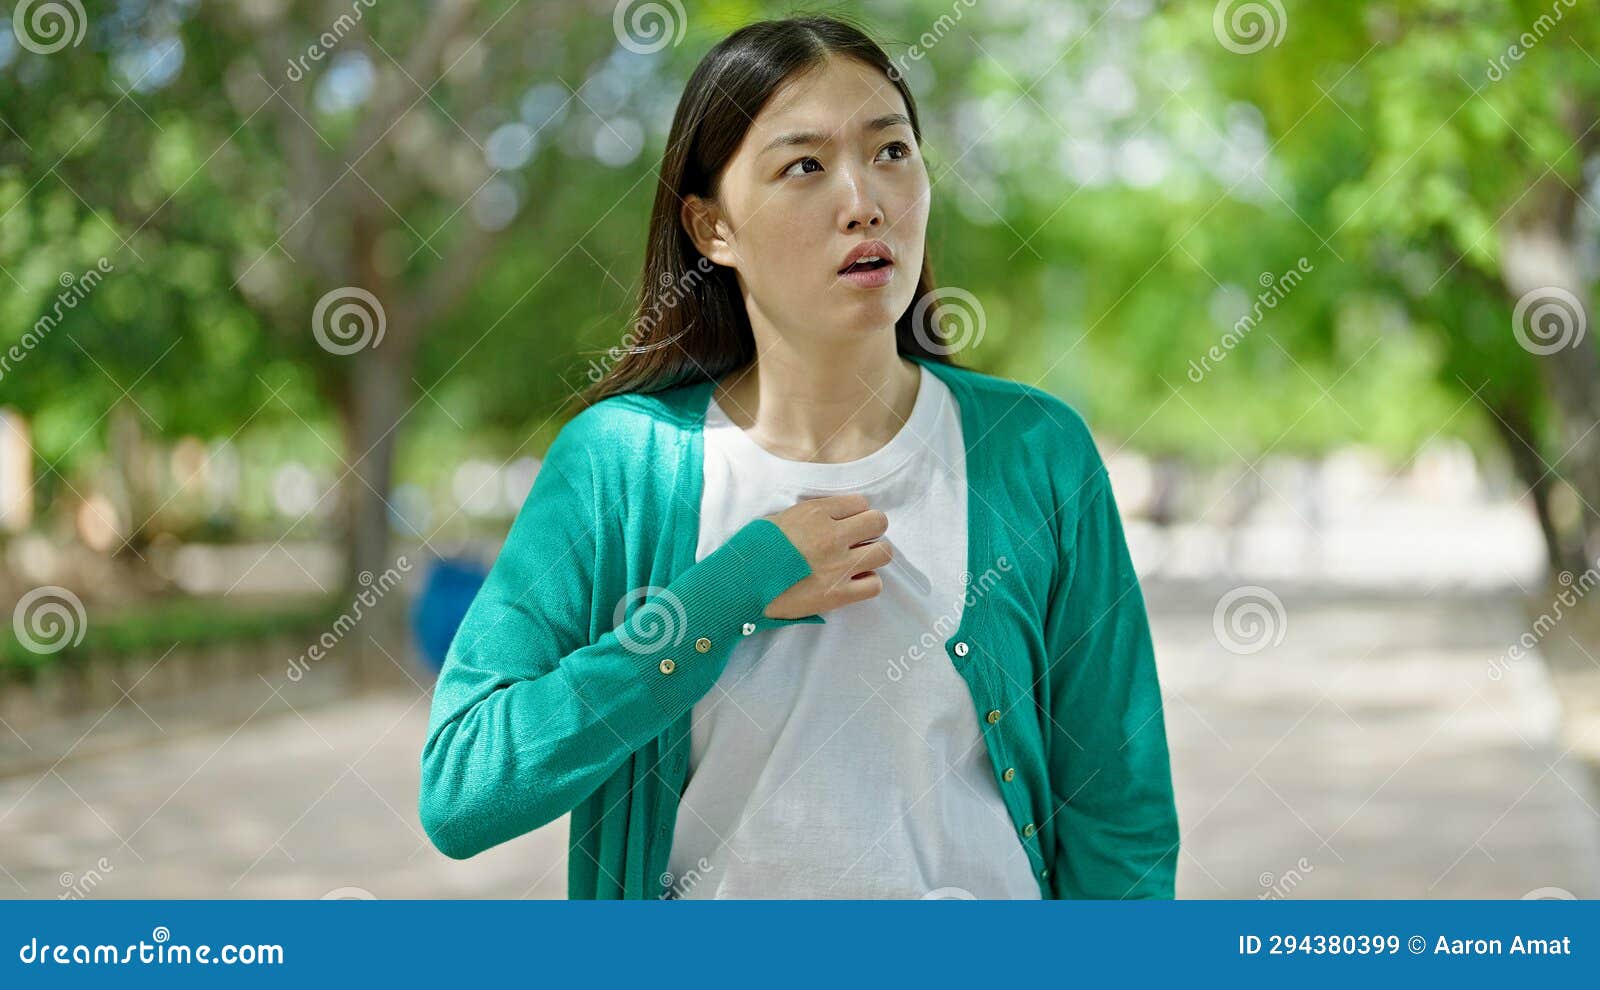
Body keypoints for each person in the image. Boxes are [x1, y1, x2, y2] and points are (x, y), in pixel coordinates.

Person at [418, 14, 1179, 900]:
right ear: (713, 230)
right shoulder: (619, 465)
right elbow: (463, 792)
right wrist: (726, 595)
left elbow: (1119, 811)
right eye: (804, 165)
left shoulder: (1036, 451)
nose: (865, 200)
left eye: (891, 151)